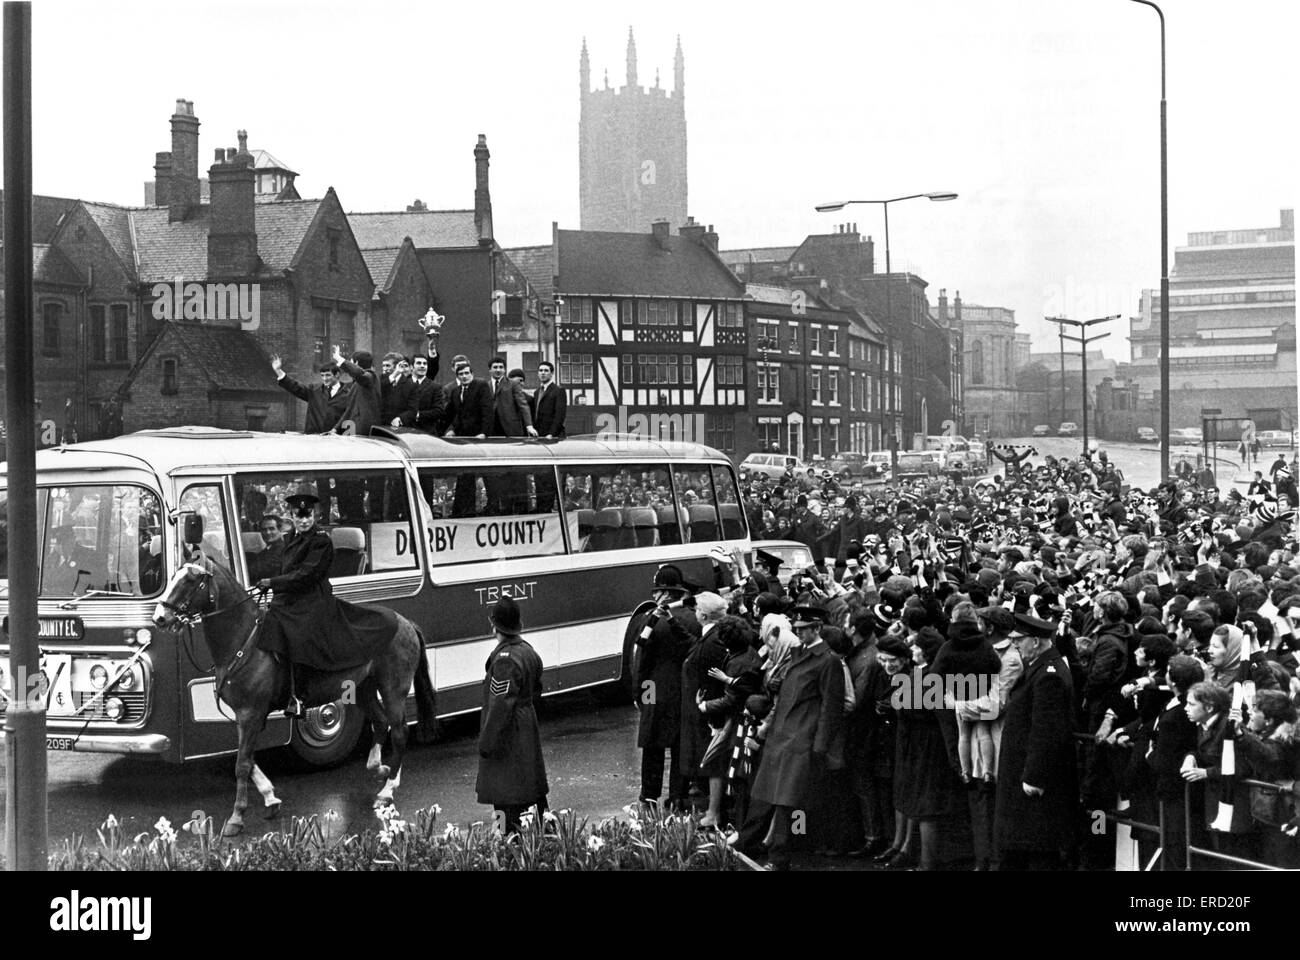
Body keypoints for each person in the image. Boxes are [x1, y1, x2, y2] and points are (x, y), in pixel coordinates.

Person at [254, 483, 397, 717]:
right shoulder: (289, 538)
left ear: (315, 515)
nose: (303, 520)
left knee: (299, 635)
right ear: (291, 516)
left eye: (307, 515)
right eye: (298, 516)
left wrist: (273, 583)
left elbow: (305, 575)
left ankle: (298, 695)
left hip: (314, 601)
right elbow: (284, 568)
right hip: (291, 601)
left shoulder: (321, 541)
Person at [738, 603, 845, 870]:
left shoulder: (827, 660)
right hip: (782, 737)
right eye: (796, 629)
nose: (798, 634)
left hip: (801, 740)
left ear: (817, 629)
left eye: (803, 629)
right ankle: (749, 846)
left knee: (788, 803)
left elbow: (830, 708)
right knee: (766, 796)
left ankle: (780, 857)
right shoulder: (799, 654)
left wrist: (819, 746)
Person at [994, 613, 1078, 871]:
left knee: (1038, 849)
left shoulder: (1048, 675)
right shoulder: (1040, 668)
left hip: (1034, 782)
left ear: (1037, 641)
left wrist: (1034, 777)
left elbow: (1047, 731)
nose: (1016, 645)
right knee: (1023, 847)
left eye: (1020, 640)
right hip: (1023, 774)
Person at [475, 596, 549, 836]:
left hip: (509, 733)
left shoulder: (505, 661)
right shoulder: (527, 651)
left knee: (506, 794)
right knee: (531, 788)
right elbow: (537, 689)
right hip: (526, 723)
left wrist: (487, 742)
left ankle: (510, 844)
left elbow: (499, 705)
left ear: (494, 625)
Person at [633, 565, 701, 808]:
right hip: (682, 690)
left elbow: (642, 660)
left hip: (653, 687)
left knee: (652, 745)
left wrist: (639, 693)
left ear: (663, 592)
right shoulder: (693, 619)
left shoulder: (650, 620)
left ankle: (649, 795)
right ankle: (677, 797)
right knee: (679, 744)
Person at [272, 356, 351, 433]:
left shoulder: (348, 393)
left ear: (337, 375)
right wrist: (278, 371)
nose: (324, 379)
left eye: (328, 375)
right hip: (313, 440)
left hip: (338, 441)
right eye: (322, 375)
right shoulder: (314, 390)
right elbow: (296, 387)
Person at [331, 347, 382, 437]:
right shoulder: (357, 384)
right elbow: (349, 409)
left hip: (364, 433)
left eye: (351, 362)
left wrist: (340, 359)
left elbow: (360, 374)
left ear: (356, 363)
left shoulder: (371, 377)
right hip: (354, 431)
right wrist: (335, 429)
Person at [486, 355, 538, 439]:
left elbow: (523, 405)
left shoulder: (513, 384)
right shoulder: (486, 386)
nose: (498, 370)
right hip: (491, 429)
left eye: (501, 367)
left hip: (511, 429)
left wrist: (529, 426)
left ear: (505, 370)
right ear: (490, 370)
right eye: (495, 367)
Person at [441, 356, 493, 438]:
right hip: (461, 435)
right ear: (457, 377)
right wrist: (451, 430)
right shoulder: (455, 391)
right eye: (461, 374)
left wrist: (484, 432)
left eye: (467, 373)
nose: (464, 376)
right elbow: (455, 414)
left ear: (472, 374)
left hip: (479, 434)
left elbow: (487, 411)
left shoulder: (480, 385)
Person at [401, 353, 445, 434]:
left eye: (425, 364)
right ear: (411, 367)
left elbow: (439, 411)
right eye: (419, 363)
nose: (422, 366)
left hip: (427, 433)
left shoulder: (435, 387)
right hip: (406, 433)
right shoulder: (403, 384)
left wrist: (418, 415)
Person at [531, 360, 568, 439]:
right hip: (539, 434)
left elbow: (560, 415)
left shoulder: (558, 390)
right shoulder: (536, 392)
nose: (543, 373)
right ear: (538, 374)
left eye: (546, 370)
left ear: (552, 373)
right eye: (540, 370)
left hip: (553, 435)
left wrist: (552, 433)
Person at [380, 352, 417, 428]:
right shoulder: (380, 379)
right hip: (381, 426)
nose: (384, 368)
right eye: (383, 366)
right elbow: (380, 388)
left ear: (399, 366)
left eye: (388, 365)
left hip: (400, 428)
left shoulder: (411, 385)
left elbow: (412, 410)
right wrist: (394, 374)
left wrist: (400, 419)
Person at [247, 513, 287, 582]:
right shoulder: (265, 551)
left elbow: (257, 571)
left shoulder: (282, 550)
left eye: (271, 529)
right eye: (264, 530)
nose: (268, 532)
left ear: (280, 530)